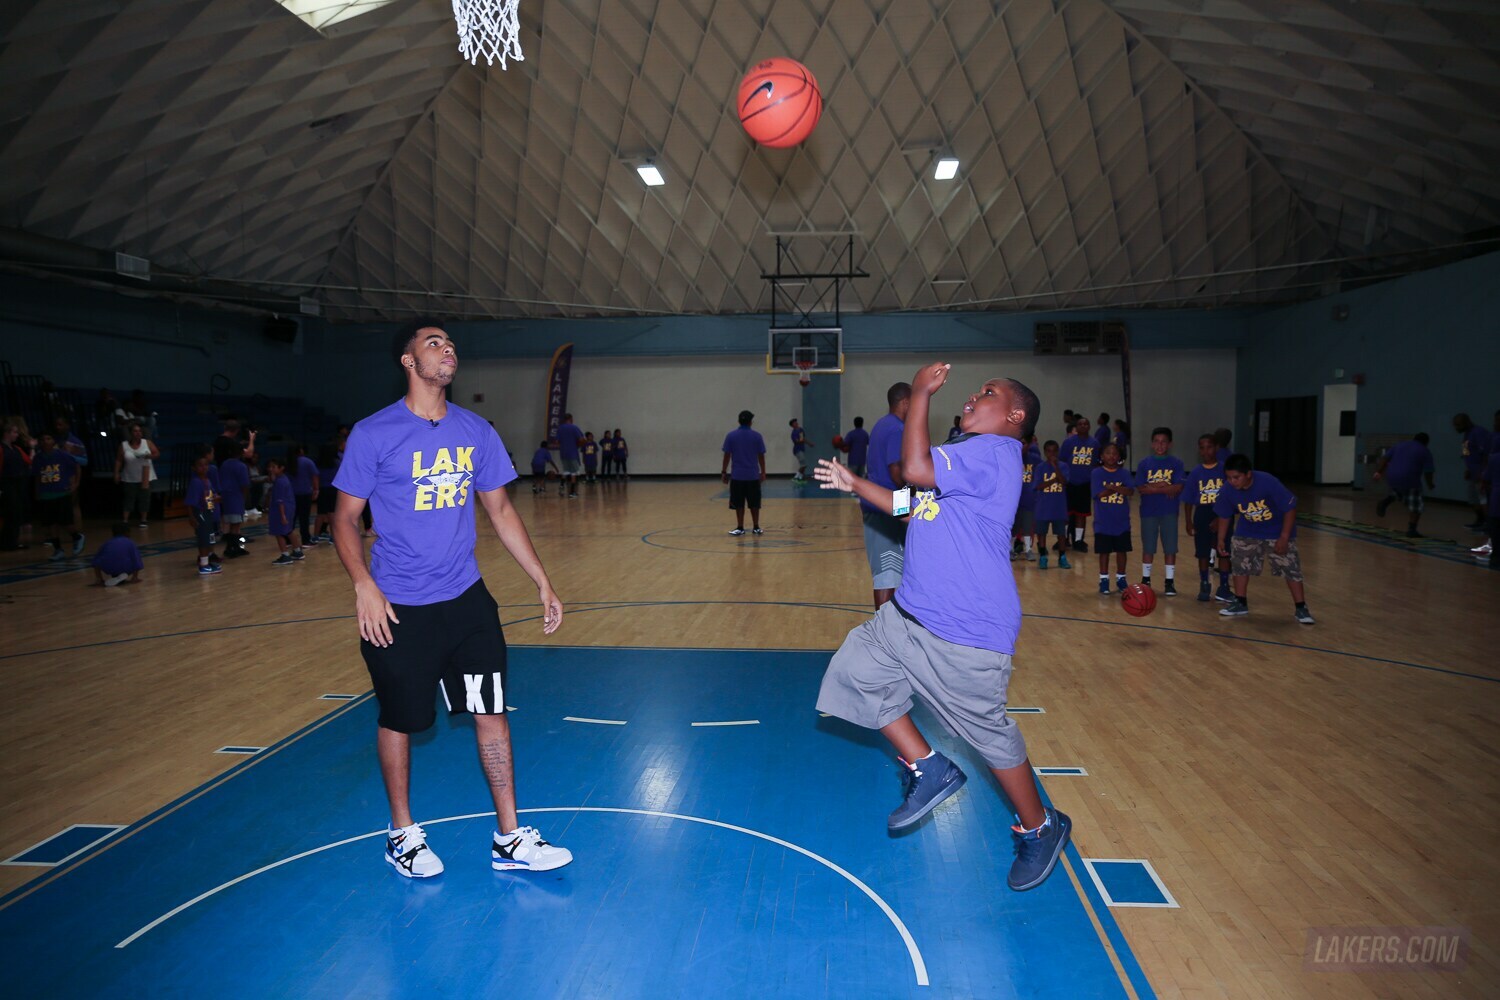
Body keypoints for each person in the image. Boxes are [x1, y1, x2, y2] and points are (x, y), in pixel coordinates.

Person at [815, 363, 1070, 891]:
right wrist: (854, 481)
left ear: (1015, 416)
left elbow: (913, 469)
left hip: (967, 630)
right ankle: (928, 768)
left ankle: (1040, 826)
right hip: (909, 616)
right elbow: (910, 506)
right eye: (977, 391)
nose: (975, 396)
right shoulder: (970, 461)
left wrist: (920, 393)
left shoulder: (994, 453)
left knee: (989, 736)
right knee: (855, 670)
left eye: (989, 393)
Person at [331, 318, 571, 879]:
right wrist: (364, 584)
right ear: (409, 362)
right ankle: (401, 833)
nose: (447, 349)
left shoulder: (475, 431)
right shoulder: (373, 433)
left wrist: (542, 580)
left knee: (492, 712)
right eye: (433, 343)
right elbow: (343, 518)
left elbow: (503, 512)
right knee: (400, 720)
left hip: (466, 601)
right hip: (399, 607)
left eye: (451, 343)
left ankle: (510, 838)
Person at [1214, 455, 1313, 624]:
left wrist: (1284, 537)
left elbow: (1290, 508)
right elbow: (1224, 515)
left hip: (1277, 531)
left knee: (1291, 568)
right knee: (1240, 565)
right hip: (1248, 531)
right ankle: (1240, 602)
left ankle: (1301, 607)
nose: (1232, 481)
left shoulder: (1268, 482)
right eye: (1228, 477)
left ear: (1248, 474)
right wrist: (1221, 539)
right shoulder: (1227, 490)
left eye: (1236, 477)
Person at [862, 383, 912, 610]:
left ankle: (892, 627)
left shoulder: (882, 425)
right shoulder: (897, 429)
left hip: (887, 503)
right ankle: (882, 631)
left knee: (897, 570)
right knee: (888, 572)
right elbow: (895, 472)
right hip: (887, 505)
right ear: (906, 402)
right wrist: (913, 488)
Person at [1136, 427, 1184, 595]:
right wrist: (1164, 486)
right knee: (1148, 546)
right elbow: (1142, 488)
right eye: (1156, 441)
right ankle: (1146, 579)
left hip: (1169, 510)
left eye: (1164, 442)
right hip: (1149, 511)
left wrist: (1153, 488)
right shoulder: (1144, 463)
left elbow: (1177, 487)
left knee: (1170, 547)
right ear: (1151, 443)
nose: (1160, 445)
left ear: (1170, 444)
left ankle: (1169, 581)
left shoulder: (1176, 463)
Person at [1183, 434, 1231, 602]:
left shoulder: (1225, 470)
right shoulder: (1196, 472)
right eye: (1202, 447)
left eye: (1209, 446)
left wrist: (1220, 517)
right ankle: (1204, 584)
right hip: (1202, 513)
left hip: (1223, 514)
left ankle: (1224, 587)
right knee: (1202, 552)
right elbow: (1188, 499)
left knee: (1224, 552)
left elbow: (1232, 496)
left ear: (1217, 448)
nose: (1206, 450)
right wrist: (1188, 521)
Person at [1091, 442, 1135, 594]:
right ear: (1102, 456)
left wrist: (1112, 487)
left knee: (1121, 551)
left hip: (1122, 521)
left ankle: (1121, 578)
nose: (1112, 456)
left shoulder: (1125, 473)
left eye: (1115, 453)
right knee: (1104, 552)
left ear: (1119, 456)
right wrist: (1119, 488)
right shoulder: (1097, 473)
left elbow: (1130, 491)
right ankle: (1104, 579)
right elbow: (1099, 494)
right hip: (1103, 522)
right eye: (1108, 453)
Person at [1373, 432, 1435, 538]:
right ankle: (1412, 530)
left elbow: (1385, 458)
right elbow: (1428, 471)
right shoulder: (1425, 450)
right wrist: (1430, 484)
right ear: (1426, 442)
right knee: (1416, 504)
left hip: (1392, 476)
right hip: (1410, 479)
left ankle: (1386, 501)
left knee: (1399, 491)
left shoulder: (1400, 445)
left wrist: (1379, 472)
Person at [33, 432, 82, 560]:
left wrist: (75, 484)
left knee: (66, 522)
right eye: (42, 439)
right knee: (51, 523)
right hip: (46, 495)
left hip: (61, 493)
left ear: (53, 441)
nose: (45, 441)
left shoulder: (62, 456)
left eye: (48, 438)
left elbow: (76, 467)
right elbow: (37, 476)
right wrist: (38, 492)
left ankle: (77, 537)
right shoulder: (38, 458)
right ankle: (58, 549)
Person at [721, 410, 767, 536]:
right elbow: (761, 456)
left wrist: (724, 471)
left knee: (739, 502)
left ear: (738, 421)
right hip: (752, 475)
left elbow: (727, 455)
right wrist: (763, 472)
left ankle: (740, 527)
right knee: (754, 503)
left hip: (737, 476)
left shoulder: (731, 436)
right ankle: (756, 527)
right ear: (751, 422)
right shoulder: (757, 436)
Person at [1032, 440, 1071, 570]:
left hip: (1058, 506)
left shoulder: (1063, 466)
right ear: (1044, 452)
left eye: (1054, 451)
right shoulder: (1040, 467)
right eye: (1049, 451)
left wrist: (1056, 468)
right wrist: (1054, 480)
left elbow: (1064, 482)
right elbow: (1038, 486)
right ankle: (1043, 556)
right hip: (1043, 506)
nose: (1052, 453)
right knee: (1041, 533)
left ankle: (1062, 557)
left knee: (1061, 534)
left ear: (1058, 452)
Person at [1061, 417, 1098, 552]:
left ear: (1089, 426)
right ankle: (1064, 538)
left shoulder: (1094, 443)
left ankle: (1078, 540)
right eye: (1080, 424)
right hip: (1070, 483)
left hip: (1085, 483)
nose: (1083, 426)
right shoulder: (1068, 442)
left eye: (1086, 424)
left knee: (1081, 514)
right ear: (1076, 427)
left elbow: (1096, 463)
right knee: (1066, 513)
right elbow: (1062, 461)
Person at [184, 447, 222, 576]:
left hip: (209, 513)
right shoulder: (195, 483)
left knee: (210, 539)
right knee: (203, 539)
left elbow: (210, 496)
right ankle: (203, 564)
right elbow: (190, 503)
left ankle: (208, 561)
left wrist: (216, 499)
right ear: (194, 468)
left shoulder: (208, 481)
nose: (204, 468)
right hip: (200, 514)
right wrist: (192, 517)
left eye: (206, 465)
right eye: (200, 465)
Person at [53, 416, 87, 555]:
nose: (58, 427)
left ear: (67, 425)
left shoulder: (74, 442)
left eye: (61, 424)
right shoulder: (53, 439)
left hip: (69, 478)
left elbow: (84, 461)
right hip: (55, 478)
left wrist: (68, 455)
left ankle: (78, 533)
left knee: (73, 505)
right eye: (56, 424)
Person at [1453, 413, 1492, 530]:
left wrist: (1484, 472)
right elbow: (1467, 454)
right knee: (1473, 498)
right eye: (1455, 425)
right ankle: (1480, 520)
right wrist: (1468, 469)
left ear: (1467, 422)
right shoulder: (1466, 436)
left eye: (1458, 425)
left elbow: (1486, 453)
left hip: (1481, 473)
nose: (1456, 428)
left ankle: (1489, 524)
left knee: (1483, 499)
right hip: (1473, 473)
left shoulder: (1478, 432)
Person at [114, 422, 159, 528]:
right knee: (129, 498)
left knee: (145, 498)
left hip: (145, 475)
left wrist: (149, 456)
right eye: (135, 431)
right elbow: (119, 460)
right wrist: (116, 473)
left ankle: (143, 519)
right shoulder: (124, 445)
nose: (138, 433)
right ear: (131, 433)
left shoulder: (147, 442)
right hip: (129, 476)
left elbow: (156, 453)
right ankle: (125, 519)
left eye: (139, 431)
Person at [265, 457, 305, 565]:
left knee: (279, 532)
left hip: (281, 510)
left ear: (281, 468)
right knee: (288, 530)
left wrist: (282, 516)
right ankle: (297, 551)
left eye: (273, 467)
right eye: (270, 467)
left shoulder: (280, 482)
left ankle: (285, 555)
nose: (271, 469)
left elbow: (280, 501)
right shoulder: (283, 479)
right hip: (289, 508)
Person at [1, 421, 34, 550]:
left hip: (18, 485)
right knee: (11, 513)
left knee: (16, 513)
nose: (17, 434)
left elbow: (29, 461)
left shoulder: (16, 449)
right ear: (7, 433)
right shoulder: (2, 449)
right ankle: (7, 542)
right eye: (14, 432)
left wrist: (32, 448)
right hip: (6, 484)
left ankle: (11, 542)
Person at [217, 438, 251, 558]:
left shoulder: (224, 464)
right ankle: (232, 548)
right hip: (236, 496)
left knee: (232, 523)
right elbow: (245, 485)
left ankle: (233, 546)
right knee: (236, 524)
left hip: (225, 496)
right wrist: (244, 498)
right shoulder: (241, 466)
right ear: (241, 453)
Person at [91, 522, 143, 586]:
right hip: (125, 568)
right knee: (135, 558)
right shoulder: (130, 543)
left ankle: (99, 579)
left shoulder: (107, 543)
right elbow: (136, 560)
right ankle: (134, 578)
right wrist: (135, 576)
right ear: (126, 532)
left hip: (109, 568)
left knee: (97, 560)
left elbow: (95, 561)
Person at [1013, 434, 1039, 561]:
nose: (1022, 446)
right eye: (1020, 443)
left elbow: (1040, 476)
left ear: (1029, 445)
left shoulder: (1035, 459)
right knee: (1014, 525)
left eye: (1025, 443)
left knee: (1028, 525)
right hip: (1013, 499)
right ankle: (1010, 549)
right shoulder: (1010, 458)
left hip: (1029, 497)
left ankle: (1028, 549)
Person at [289, 444, 320, 546]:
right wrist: (316, 489)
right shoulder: (307, 461)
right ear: (300, 450)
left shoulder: (287, 462)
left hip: (291, 494)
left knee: (291, 517)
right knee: (304, 518)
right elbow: (315, 476)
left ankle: (288, 540)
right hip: (304, 493)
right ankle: (305, 540)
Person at [555, 413, 584, 497]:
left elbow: (557, 441)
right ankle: (572, 492)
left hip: (563, 453)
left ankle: (561, 485)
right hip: (572, 452)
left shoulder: (560, 428)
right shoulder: (574, 427)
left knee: (566, 471)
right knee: (574, 472)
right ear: (571, 419)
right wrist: (578, 445)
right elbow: (581, 439)